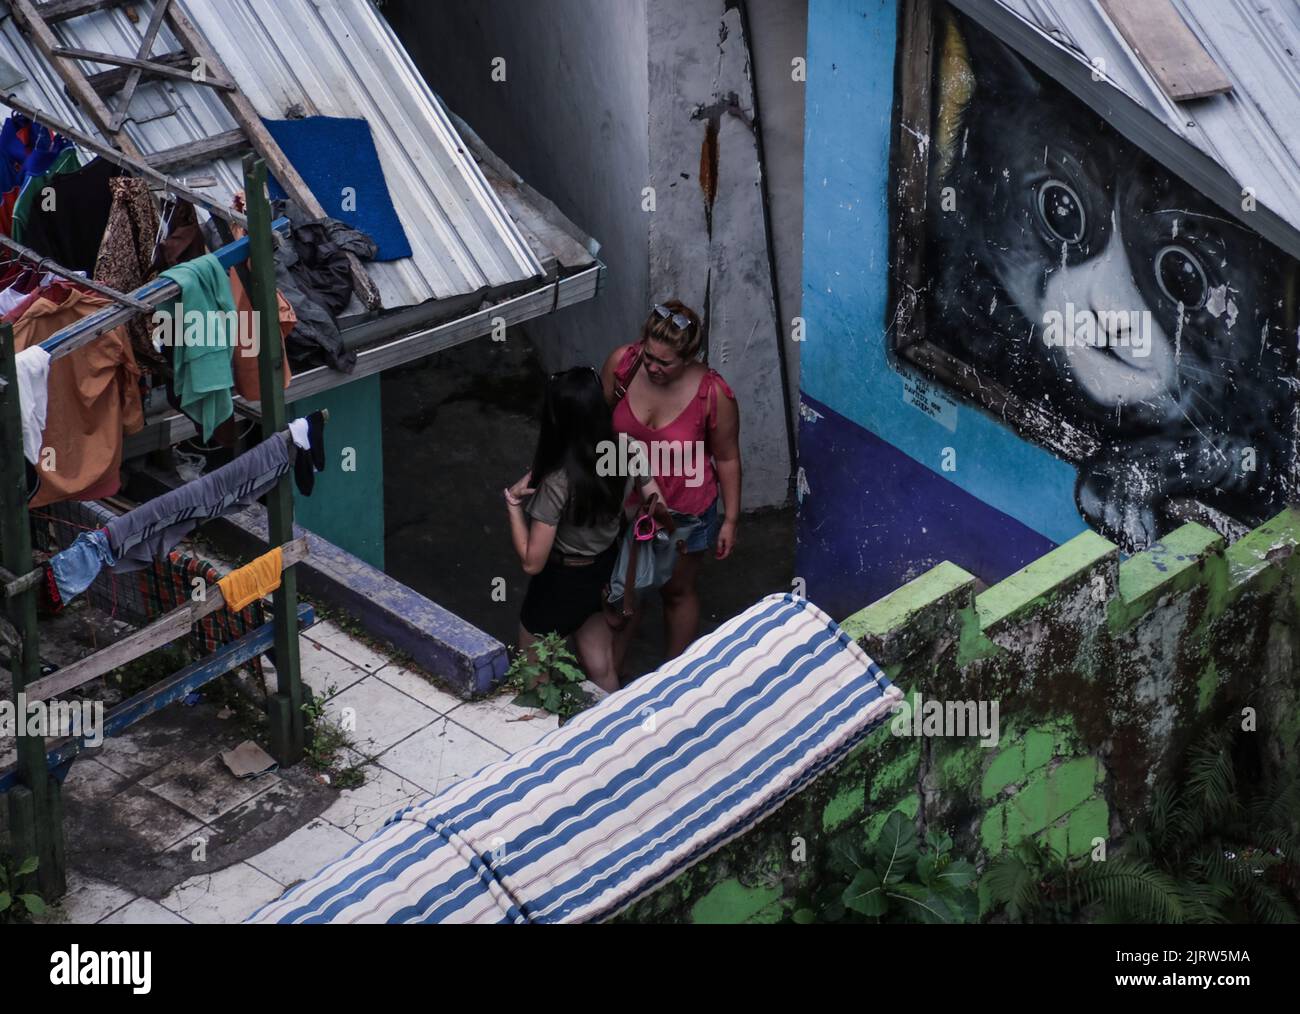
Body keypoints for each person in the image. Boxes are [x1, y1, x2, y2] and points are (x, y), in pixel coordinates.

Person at [601, 300, 741, 677]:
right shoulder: (622, 365)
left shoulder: (713, 394)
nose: (653, 368)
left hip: (684, 512)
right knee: (623, 593)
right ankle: (607, 682)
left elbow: (726, 458)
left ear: (689, 357)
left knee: (676, 592)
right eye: (649, 357)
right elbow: (597, 428)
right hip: (624, 505)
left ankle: (673, 676)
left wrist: (730, 519)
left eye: (665, 363)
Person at [505, 366, 656, 693]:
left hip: (560, 584)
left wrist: (513, 506)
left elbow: (533, 562)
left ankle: (543, 735)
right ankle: (616, 729)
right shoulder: (627, 449)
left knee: (534, 675)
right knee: (602, 668)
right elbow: (656, 503)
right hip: (602, 573)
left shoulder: (559, 482)